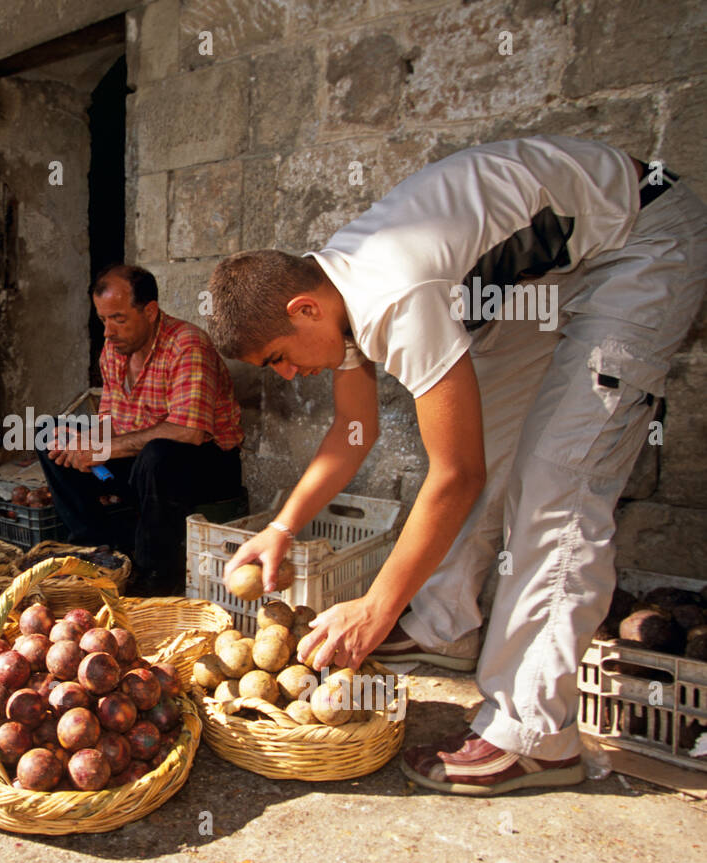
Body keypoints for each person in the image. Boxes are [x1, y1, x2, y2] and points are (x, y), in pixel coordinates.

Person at [207, 136, 707, 795]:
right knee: (490, 431)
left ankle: (534, 735)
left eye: (278, 357)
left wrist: (375, 608)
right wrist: (283, 526)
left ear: (303, 311)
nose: (290, 372)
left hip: (641, 240)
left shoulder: (392, 297)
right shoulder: (335, 292)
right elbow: (354, 431)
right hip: (550, 277)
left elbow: (457, 477)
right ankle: (444, 624)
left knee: (559, 482)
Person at [38, 264, 244, 595]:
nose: (108, 331)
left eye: (118, 319)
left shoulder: (187, 345)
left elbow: (190, 432)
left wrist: (105, 449)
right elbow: (110, 418)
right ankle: (98, 549)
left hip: (204, 475)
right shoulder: (115, 350)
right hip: (136, 473)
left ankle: (155, 576)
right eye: (103, 320)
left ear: (149, 311)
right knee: (49, 433)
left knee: (159, 454)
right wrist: (88, 444)